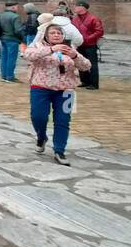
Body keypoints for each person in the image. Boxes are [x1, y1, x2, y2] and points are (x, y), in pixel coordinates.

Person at [23, 22, 92, 166]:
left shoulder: (70, 49)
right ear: (46, 36)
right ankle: (41, 137)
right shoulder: (38, 46)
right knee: (38, 116)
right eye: (53, 33)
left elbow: (86, 66)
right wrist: (51, 49)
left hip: (67, 90)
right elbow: (28, 55)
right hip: (41, 87)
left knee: (63, 120)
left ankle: (59, 150)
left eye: (59, 33)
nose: (56, 35)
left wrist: (74, 56)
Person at [71, 1, 105, 90]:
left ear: (83, 7)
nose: (75, 8)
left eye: (76, 6)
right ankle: (85, 81)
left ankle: (94, 84)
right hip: (79, 45)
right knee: (80, 63)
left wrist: (88, 39)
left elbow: (99, 31)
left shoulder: (93, 18)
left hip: (90, 45)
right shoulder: (74, 19)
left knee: (92, 64)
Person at [0, 2, 24, 81]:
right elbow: (18, 30)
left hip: (3, 38)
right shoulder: (16, 17)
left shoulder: (1, 15)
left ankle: (3, 76)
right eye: (17, 7)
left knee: (4, 58)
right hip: (12, 40)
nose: (17, 8)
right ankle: (10, 76)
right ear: (13, 7)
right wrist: (23, 38)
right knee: (11, 59)